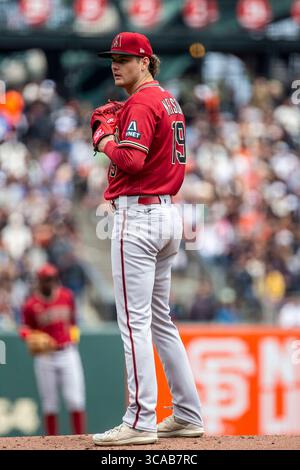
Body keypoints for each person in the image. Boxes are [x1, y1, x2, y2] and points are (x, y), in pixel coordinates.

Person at [91, 32, 204, 446]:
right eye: (113, 58)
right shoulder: (167, 99)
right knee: (159, 320)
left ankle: (141, 420)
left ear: (145, 62)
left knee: (135, 322)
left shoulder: (141, 101)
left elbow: (132, 158)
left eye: (124, 58)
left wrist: (104, 137)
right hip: (167, 214)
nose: (115, 64)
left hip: (138, 216)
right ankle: (188, 412)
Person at [20, 263, 86, 436]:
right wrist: (29, 336)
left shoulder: (66, 296)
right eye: (45, 280)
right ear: (39, 281)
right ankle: (51, 442)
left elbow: (73, 321)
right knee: (50, 402)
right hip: (45, 356)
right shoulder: (31, 304)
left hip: (67, 352)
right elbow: (24, 328)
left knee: (76, 399)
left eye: (51, 279)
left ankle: (79, 439)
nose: (49, 283)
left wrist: (73, 334)